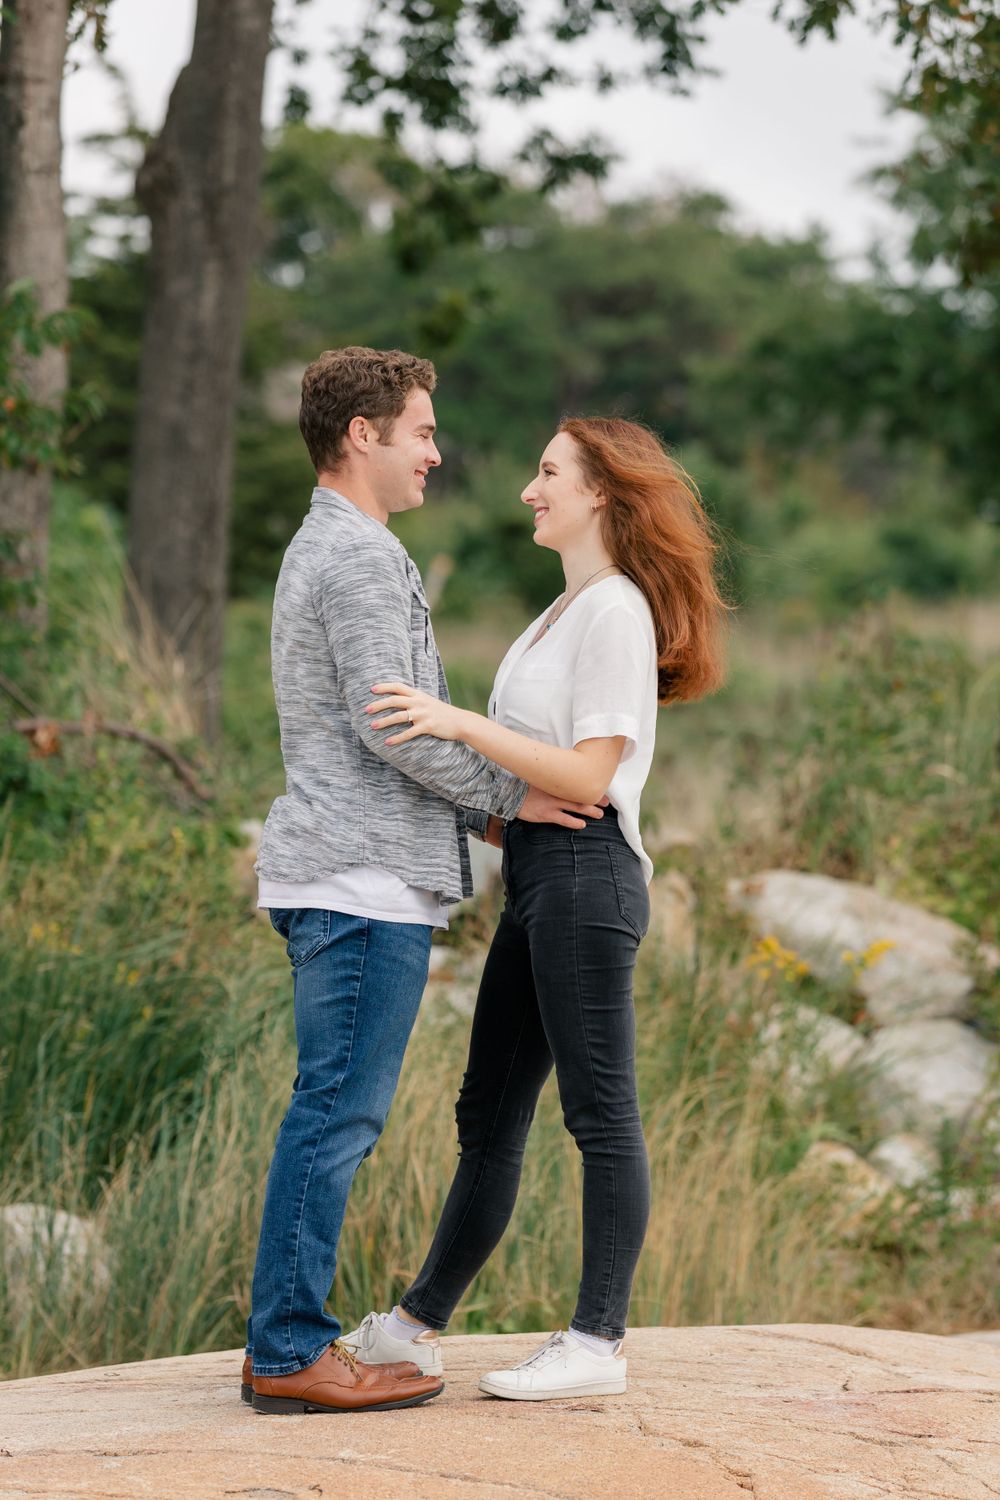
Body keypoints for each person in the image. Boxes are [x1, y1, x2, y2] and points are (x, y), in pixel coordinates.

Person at [243, 347, 610, 1416]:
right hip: (357, 880)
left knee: (332, 1110)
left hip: (352, 872)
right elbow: (391, 719)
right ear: (363, 435)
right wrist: (506, 801)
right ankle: (288, 1349)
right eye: (421, 434)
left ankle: (287, 1338)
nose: (436, 456)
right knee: (337, 1117)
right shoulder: (355, 556)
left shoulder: (342, 545)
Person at [342, 415, 727, 1400]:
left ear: (601, 491)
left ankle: (596, 1344)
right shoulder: (561, 613)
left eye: (548, 472)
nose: (528, 489)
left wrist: (455, 720)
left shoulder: (614, 612)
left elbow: (590, 774)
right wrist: (473, 801)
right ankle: (415, 1326)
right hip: (538, 875)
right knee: (488, 1113)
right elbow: (534, 787)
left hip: (589, 879)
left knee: (600, 1115)